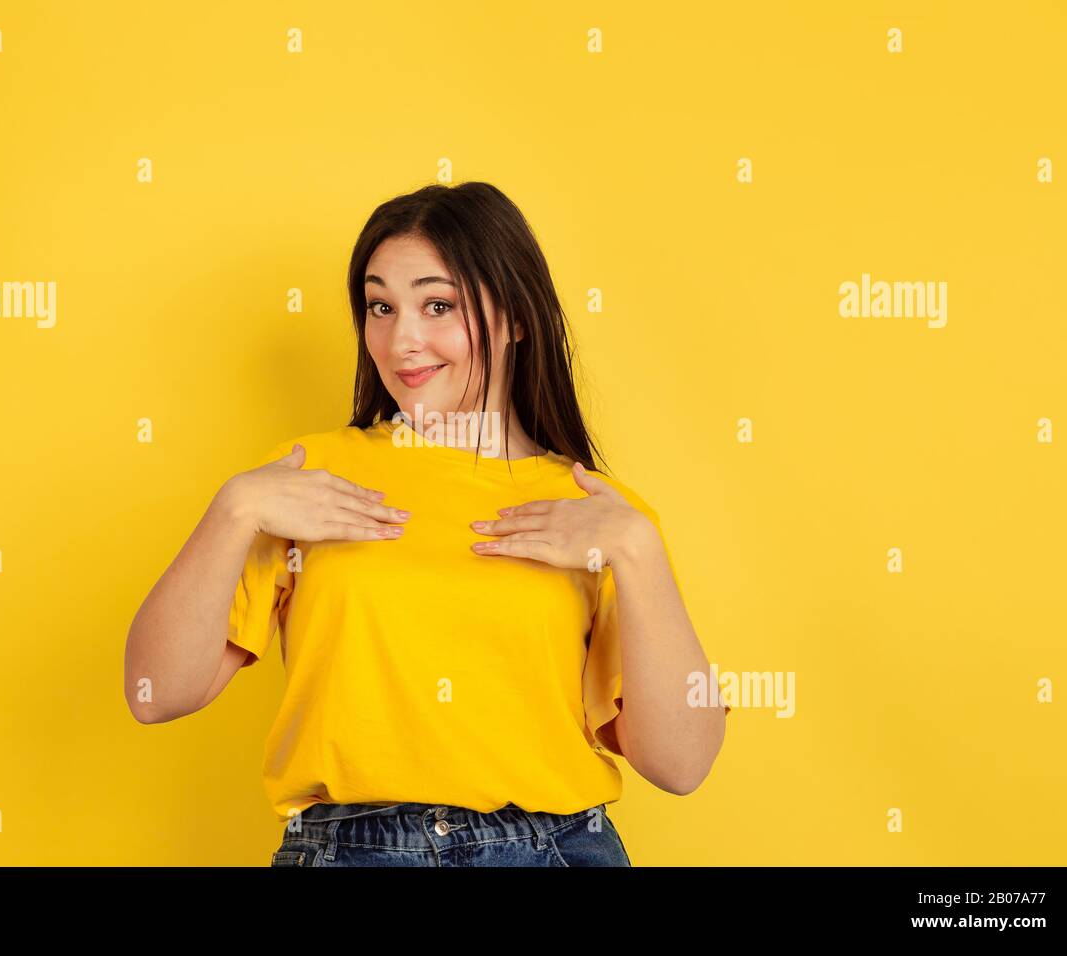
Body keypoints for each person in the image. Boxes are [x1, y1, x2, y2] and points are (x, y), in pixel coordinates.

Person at [125, 182, 728, 866]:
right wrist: (232, 511)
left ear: (517, 318)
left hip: (552, 849)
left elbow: (682, 763)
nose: (400, 339)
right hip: (352, 850)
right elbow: (155, 693)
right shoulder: (303, 478)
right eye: (381, 306)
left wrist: (639, 553)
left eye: (437, 305)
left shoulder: (597, 512)